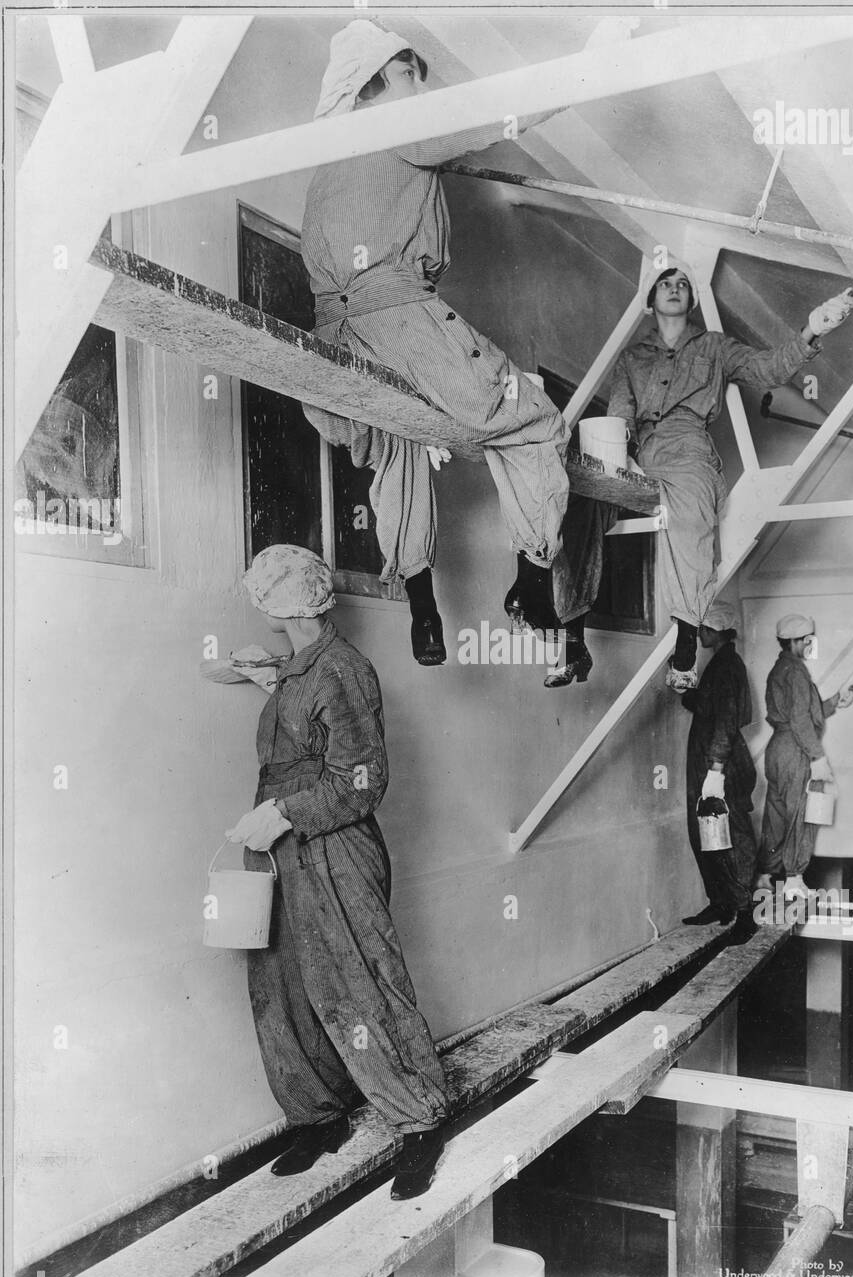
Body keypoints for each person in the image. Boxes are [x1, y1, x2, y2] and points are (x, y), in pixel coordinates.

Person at [301, 19, 575, 667]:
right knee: (535, 421)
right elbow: (496, 115)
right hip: (395, 313)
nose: (418, 86)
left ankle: (422, 607)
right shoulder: (394, 126)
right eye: (406, 73)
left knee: (400, 439)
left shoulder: (323, 161)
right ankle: (534, 578)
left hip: (333, 336)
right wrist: (585, 72)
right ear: (372, 85)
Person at [225, 544, 449, 1199]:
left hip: (331, 846)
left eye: (262, 599)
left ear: (284, 607)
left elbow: (362, 778)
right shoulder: (303, 666)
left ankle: (420, 1121)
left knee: (359, 983)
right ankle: (317, 1116)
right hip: (281, 845)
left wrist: (285, 812)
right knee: (282, 984)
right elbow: (306, 730)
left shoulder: (341, 670)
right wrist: (270, 676)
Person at [548, 263, 853, 690]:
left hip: (689, 451)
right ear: (650, 299)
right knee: (580, 501)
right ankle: (573, 641)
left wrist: (811, 330)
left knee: (690, 514)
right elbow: (619, 412)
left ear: (691, 299)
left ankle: (686, 643)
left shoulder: (713, 347)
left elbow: (767, 369)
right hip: (638, 453)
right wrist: (618, 457)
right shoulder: (633, 358)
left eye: (681, 285)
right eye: (664, 284)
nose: (673, 290)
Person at [756, 613, 853, 902]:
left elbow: (801, 713)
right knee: (802, 812)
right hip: (796, 749)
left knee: (777, 813)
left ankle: (765, 875)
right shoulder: (796, 672)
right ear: (796, 641)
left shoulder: (780, 669)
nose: (809, 644)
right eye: (806, 640)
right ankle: (794, 880)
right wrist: (817, 757)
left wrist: (836, 702)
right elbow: (801, 720)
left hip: (778, 748)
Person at [679, 601, 758, 941]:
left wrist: (716, 769)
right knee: (705, 832)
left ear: (715, 631)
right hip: (710, 758)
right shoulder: (721, 664)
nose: (699, 635)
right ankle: (721, 902)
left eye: (703, 630)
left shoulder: (728, 666)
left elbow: (727, 722)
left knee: (733, 834)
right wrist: (687, 694)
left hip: (720, 762)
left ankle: (744, 913)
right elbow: (712, 708)